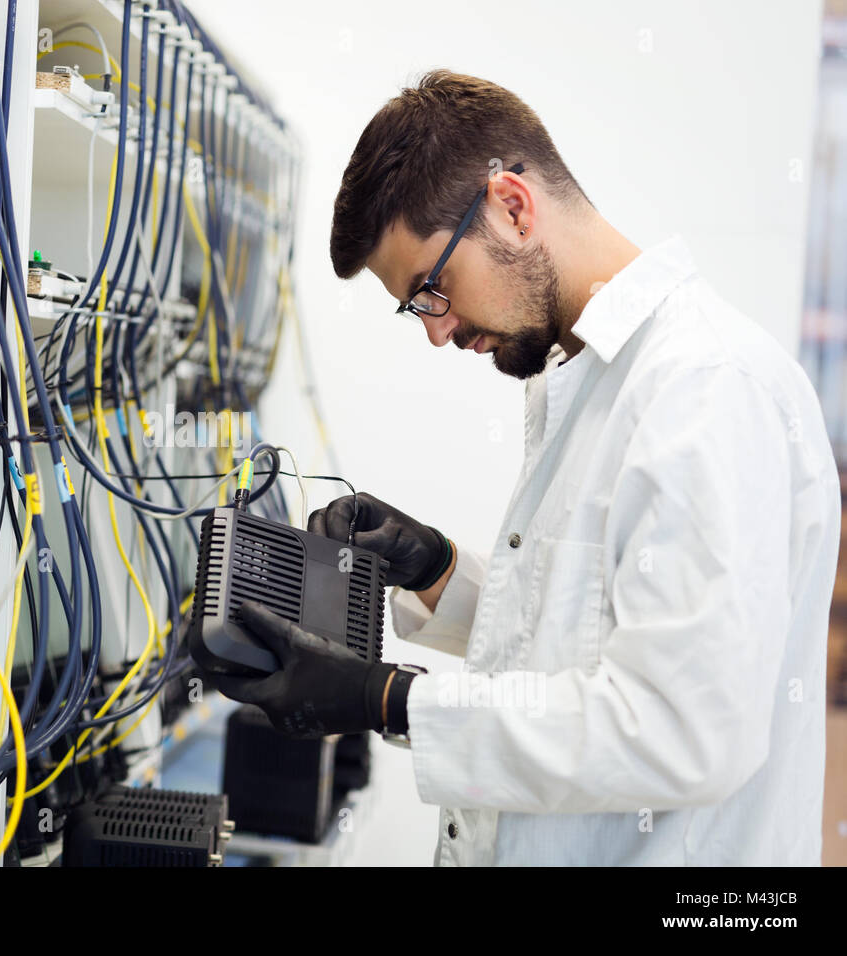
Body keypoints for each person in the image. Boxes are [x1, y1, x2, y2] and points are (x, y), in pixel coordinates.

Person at [202, 71, 841, 865]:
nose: (436, 333)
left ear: (511, 206)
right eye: (415, 308)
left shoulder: (706, 389)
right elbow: (584, 638)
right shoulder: (589, 377)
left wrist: (391, 700)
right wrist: (435, 569)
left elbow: (682, 730)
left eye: (432, 290)